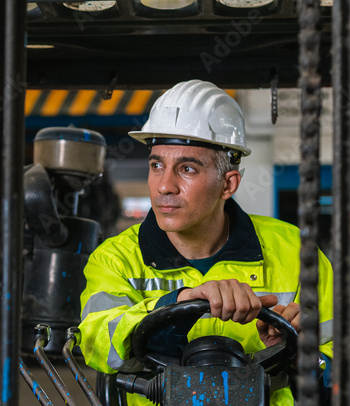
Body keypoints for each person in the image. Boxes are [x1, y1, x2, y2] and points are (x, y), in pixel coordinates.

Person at [77, 80, 334, 406]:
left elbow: (344, 364)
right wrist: (179, 304)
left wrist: (301, 352)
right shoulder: (115, 258)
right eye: (157, 165)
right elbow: (96, 344)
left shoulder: (294, 252)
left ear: (228, 184)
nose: (165, 186)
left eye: (186, 168)